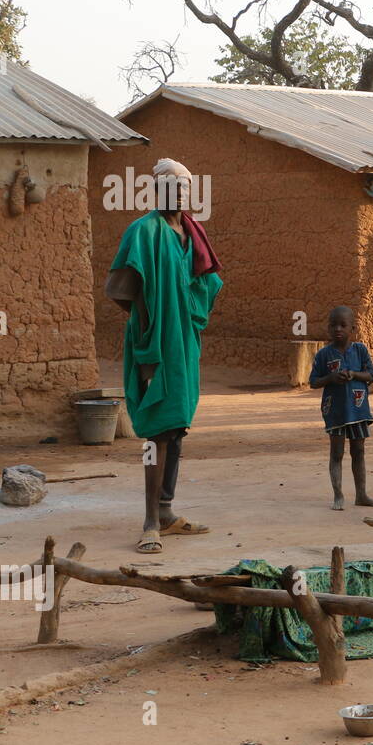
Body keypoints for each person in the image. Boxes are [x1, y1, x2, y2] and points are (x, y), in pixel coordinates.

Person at [104, 158, 222, 553]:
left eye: (185, 187)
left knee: (176, 425)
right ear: (156, 191)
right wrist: (152, 326)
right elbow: (122, 291)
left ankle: (168, 511)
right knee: (157, 430)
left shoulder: (192, 233)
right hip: (154, 343)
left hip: (184, 343)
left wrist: (181, 311)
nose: (179, 194)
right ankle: (150, 520)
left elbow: (205, 282)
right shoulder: (143, 232)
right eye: (172, 187)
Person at [310, 306, 373, 510]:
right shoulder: (324, 355)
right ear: (328, 328)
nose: (337, 329)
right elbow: (314, 382)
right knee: (337, 453)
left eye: (343, 325)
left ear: (353, 327)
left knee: (359, 451)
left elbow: (371, 374)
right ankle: (338, 495)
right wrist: (331, 378)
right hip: (335, 412)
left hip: (358, 411)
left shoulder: (360, 350)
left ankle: (361, 494)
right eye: (333, 325)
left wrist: (353, 374)